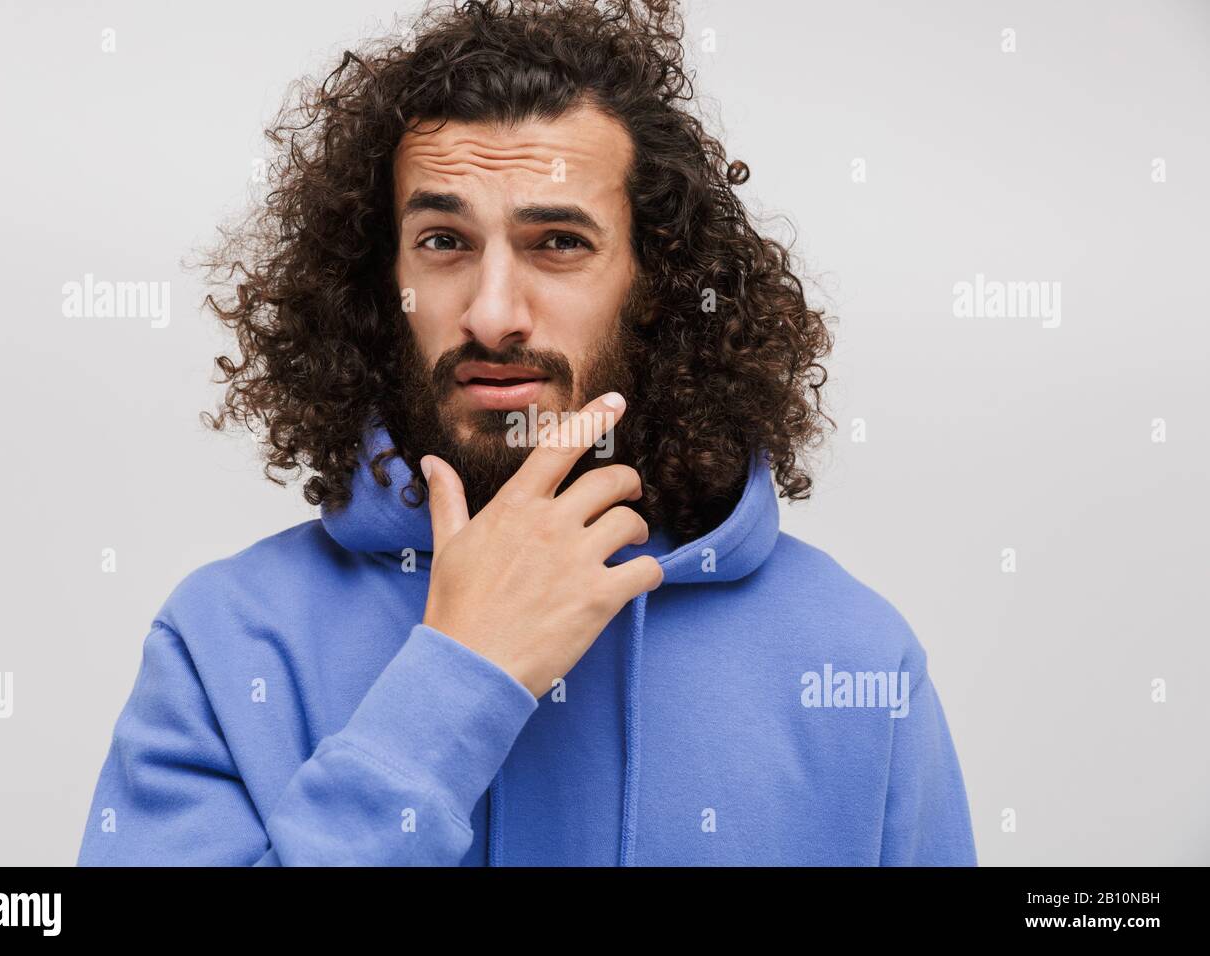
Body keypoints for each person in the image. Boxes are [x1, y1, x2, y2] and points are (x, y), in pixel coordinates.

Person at [77, 0, 976, 866]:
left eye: (557, 243)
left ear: (653, 282)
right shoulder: (224, 643)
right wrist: (457, 678)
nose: (495, 314)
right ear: (373, 281)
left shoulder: (856, 660)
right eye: (442, 242)